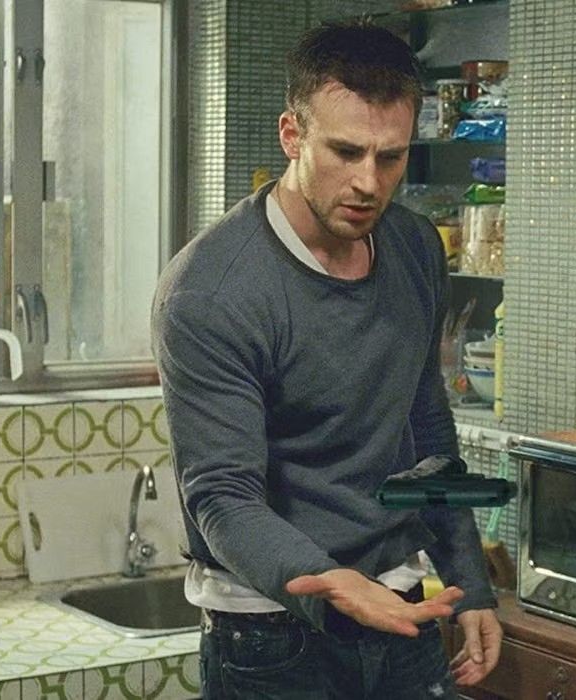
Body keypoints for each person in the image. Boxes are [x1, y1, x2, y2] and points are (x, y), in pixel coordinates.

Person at [151, 18, 502, 699]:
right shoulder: (211, 292)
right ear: (292, 135)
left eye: (391, 158)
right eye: (346, 152)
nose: (369, 182)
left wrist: (469, 579)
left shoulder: (414, 248)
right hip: (271, 634)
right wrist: (332, 583)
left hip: (401, 606)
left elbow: (426, 425)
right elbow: (222, 497)